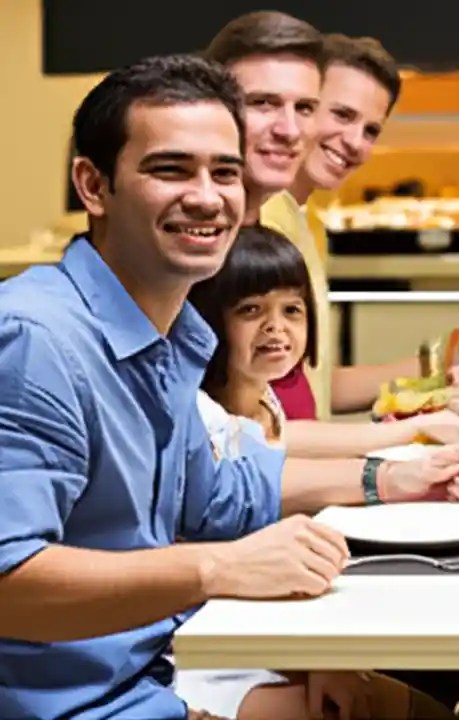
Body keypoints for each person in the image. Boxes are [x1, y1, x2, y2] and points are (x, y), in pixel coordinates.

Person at [0, 53, 342, 720]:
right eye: (170, 169)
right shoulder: (36, 339)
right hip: (75, 707)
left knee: (394, 700)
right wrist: (219, 568)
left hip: (152, 680)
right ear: (93, 186)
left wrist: (385, 479)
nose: (208, 196)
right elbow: (8, 581)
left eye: (225, 173)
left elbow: (215, 500)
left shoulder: (169, 332)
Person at [178, 225, 459, 719]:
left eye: (291, 310)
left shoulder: (262, 403)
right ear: (210, 321)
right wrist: (312, 663)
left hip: (267, 624)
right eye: (251, 311)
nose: (276, 328)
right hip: (213, 646)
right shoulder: (204, 417)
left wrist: (413, 440)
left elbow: (298, 441)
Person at [258, 32, 459, 428]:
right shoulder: (261, 219)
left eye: (371, 130)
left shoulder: (309, 220)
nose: (354, 141)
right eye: (341, 115)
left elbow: (310, 385)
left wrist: (438, 367)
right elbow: (264, 419)